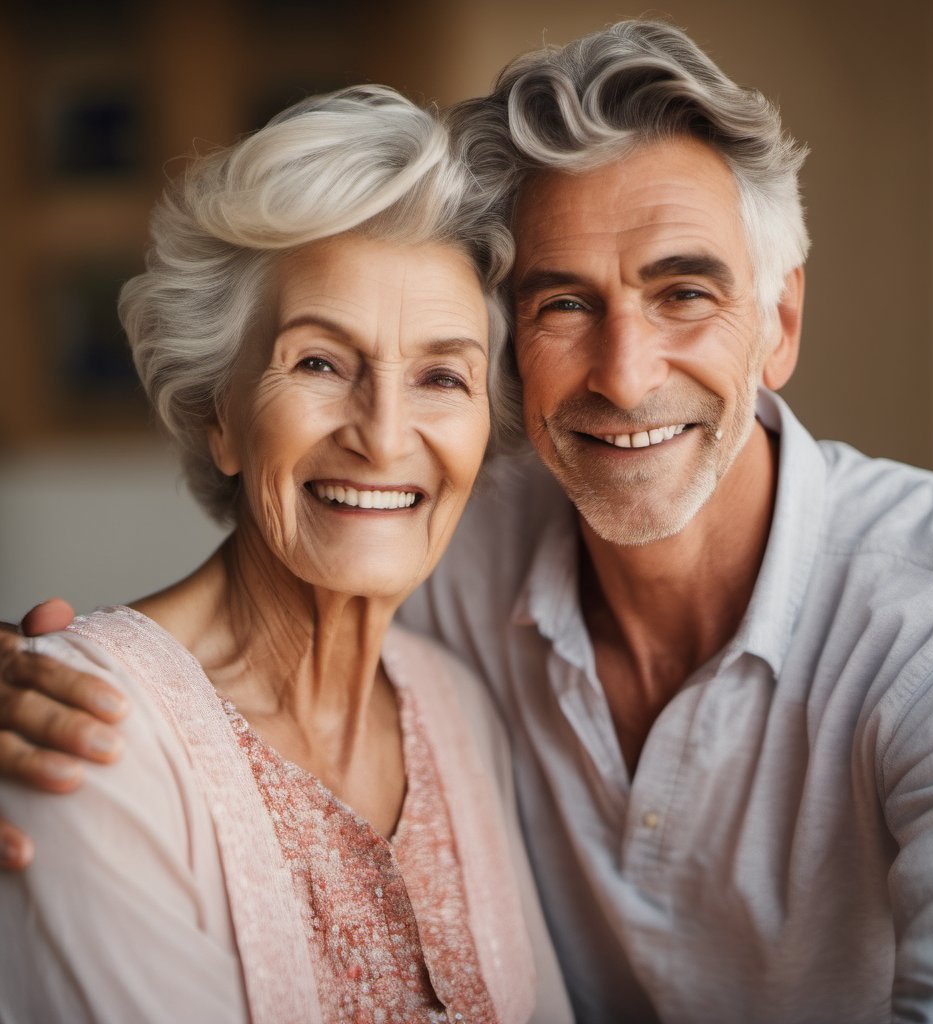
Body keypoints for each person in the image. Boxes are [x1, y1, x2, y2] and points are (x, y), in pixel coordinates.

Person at [4, 18, 933, 1024]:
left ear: (779, 324)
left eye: (682, 294)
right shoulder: (429, 556)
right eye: (564, 304)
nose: (624, 378)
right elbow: (233, 630)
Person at [0, 84, 572, 1024]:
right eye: (318, 362)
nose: (385, 438)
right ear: (220, 413)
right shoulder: (83, 728)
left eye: (441, 376)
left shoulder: (460, 709)